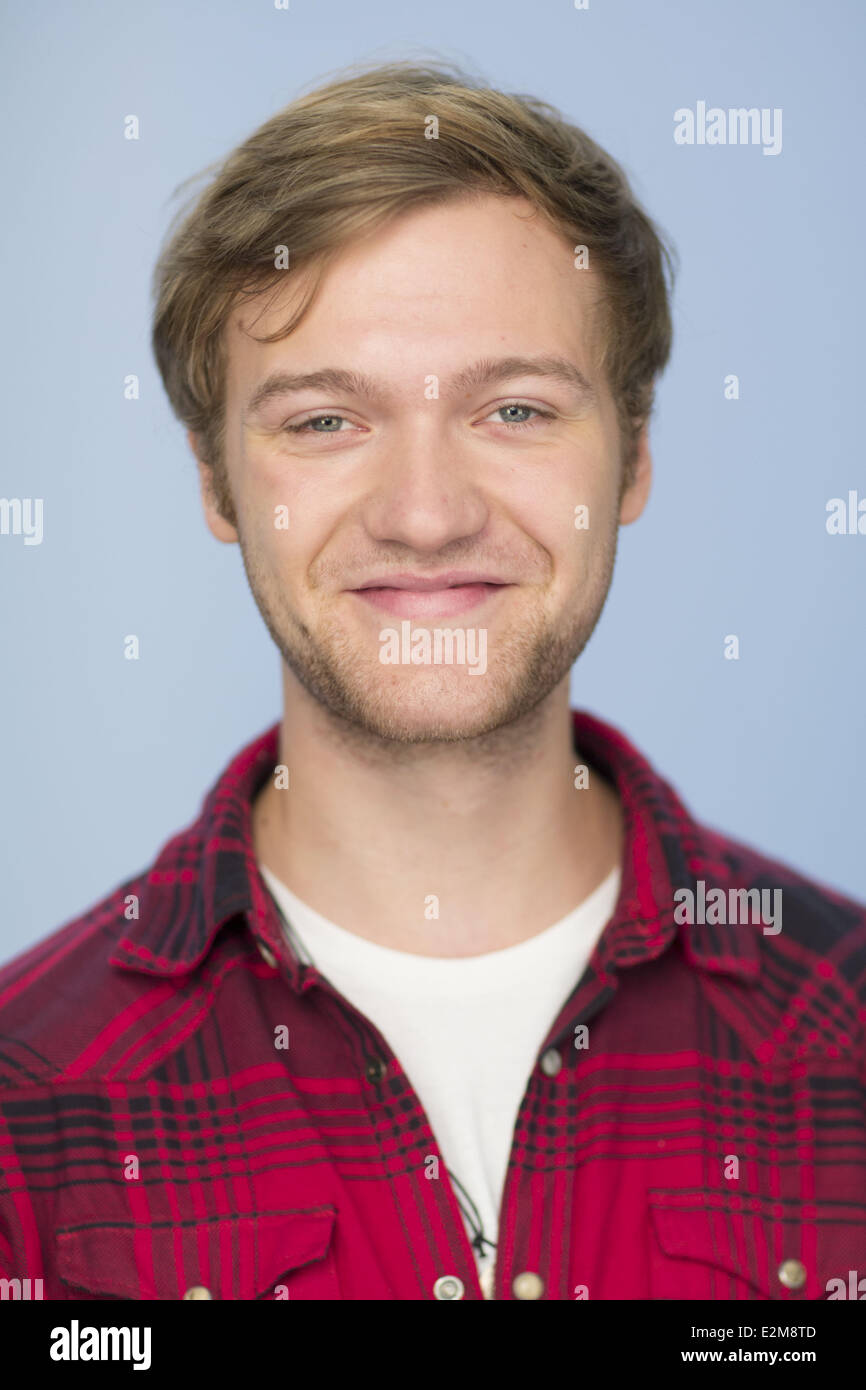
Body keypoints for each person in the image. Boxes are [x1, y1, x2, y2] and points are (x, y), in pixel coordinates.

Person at [1, 60, 863, 1303]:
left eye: (512, 410)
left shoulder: (840, 1038)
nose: (424, 514)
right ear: (213, 482)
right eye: (321, 421)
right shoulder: (33, 1103)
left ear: (629, 458)